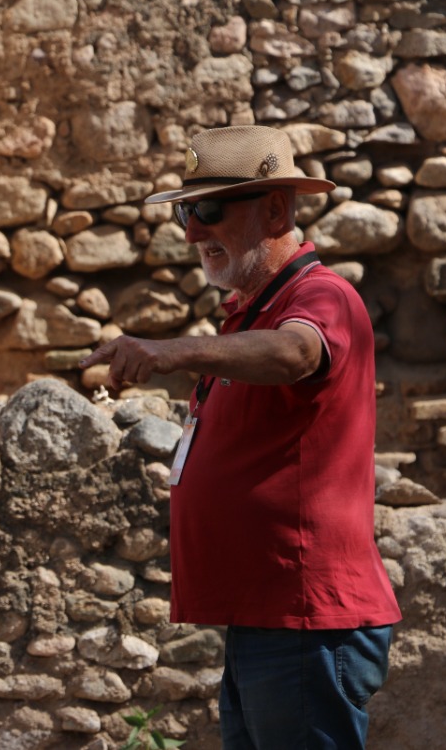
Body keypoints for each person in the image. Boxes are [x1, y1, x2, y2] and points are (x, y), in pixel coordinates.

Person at [81, 125, 401, 749]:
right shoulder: (253, 313)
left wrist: (171, 351)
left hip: (304, 617)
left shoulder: (319, 297)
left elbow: (296, 353)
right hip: (270, 617)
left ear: (276, 209)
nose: (192, 231)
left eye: (207, 210)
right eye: (184, 212)